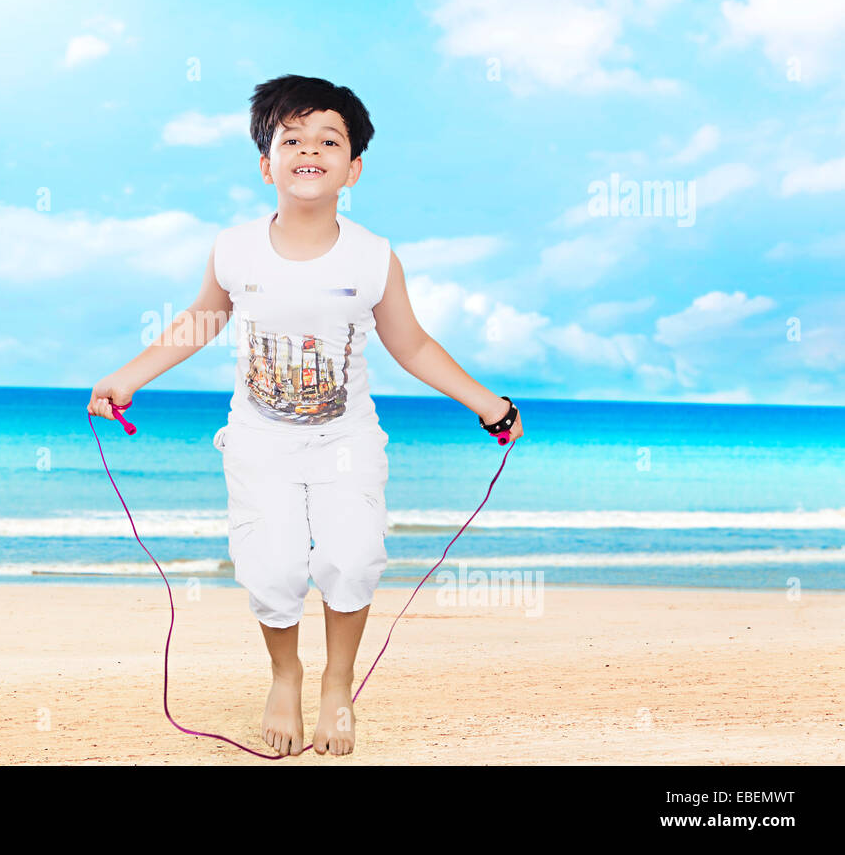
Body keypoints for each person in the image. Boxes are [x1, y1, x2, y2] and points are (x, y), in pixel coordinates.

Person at [89, 74, 524, 757]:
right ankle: (286, 673)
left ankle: (337, 683)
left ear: (353, 167)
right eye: (291, 139)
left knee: (352, 563)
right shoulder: (234, 247)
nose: (309, 150)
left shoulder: (374, 255)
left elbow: (409, 342)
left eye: (328, 139)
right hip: (259, 438)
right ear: (267, 164)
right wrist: (126, 378)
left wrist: (488, 404)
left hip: (346, 438)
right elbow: (201, 320)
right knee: (271, 570)